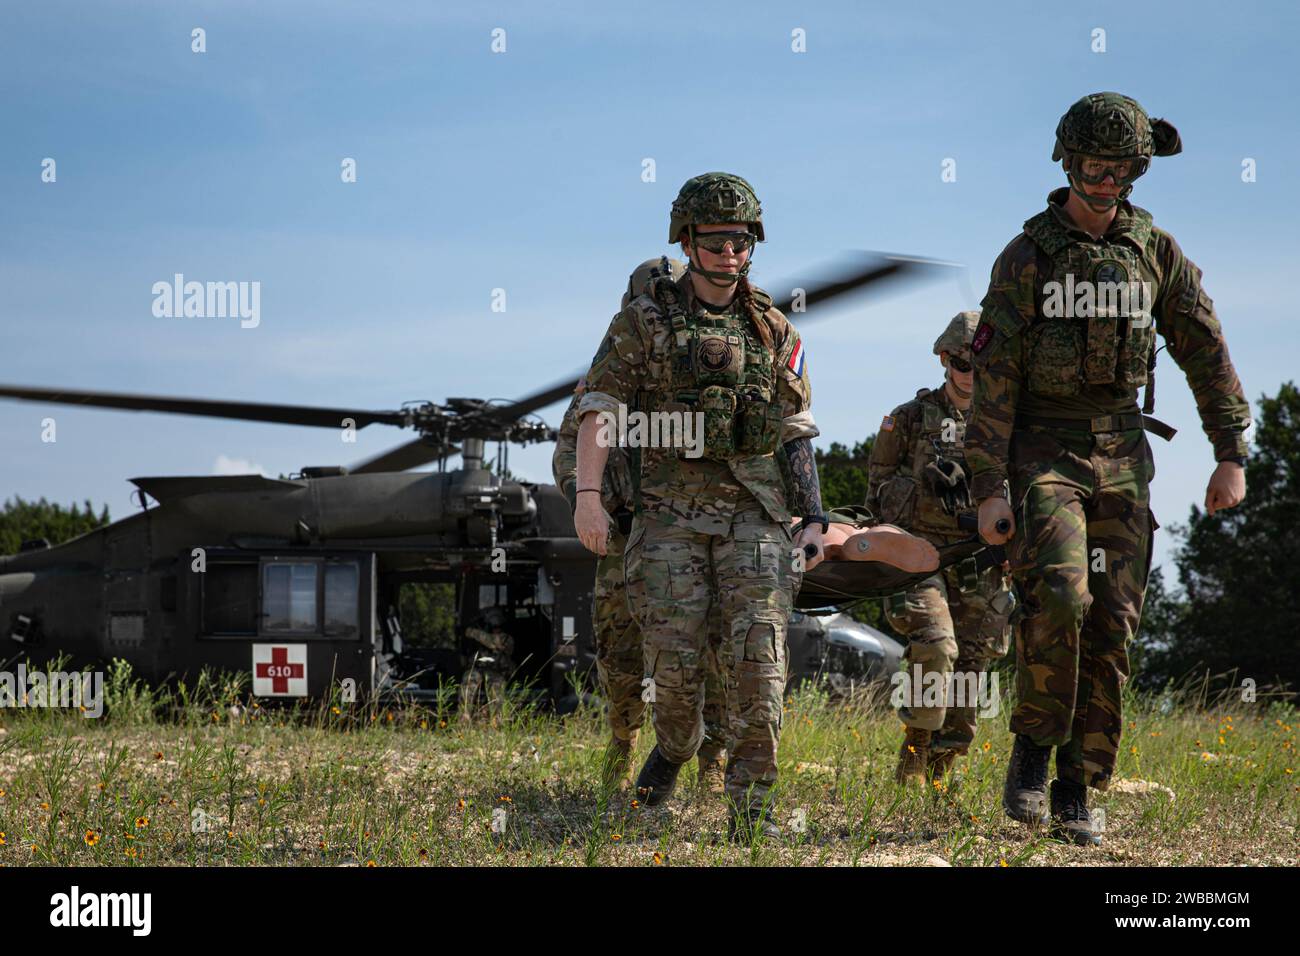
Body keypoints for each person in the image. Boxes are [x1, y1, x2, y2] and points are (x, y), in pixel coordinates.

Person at [965, 92, 1251, 845]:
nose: (1106, 180)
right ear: (1068, 162)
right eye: (1094, 164)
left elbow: (1205, 348)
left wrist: (1230, 452)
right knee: (1061, 595)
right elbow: (992, 380)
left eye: (1121, 167)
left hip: (1123, 456)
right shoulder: (1027, 255)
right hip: (1043, 454)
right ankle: (1032, 747)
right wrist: (988, 487)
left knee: (1115, 624)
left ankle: (1077, 788)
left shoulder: (1155, 252)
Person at [573, 172, 827, 841]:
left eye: (740, 239)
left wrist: (813, 516)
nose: (729, 251)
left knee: (759, 666)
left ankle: (751, 810)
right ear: (687, 240)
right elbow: (600, 410)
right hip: (667, 518)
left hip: (754, 515)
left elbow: (797, 428)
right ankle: (677, 747)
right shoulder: (642, 321)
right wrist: (589, 497)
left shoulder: (772, 328)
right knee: (675, 675)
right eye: (714, 239)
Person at [552, 257, 730, 796]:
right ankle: (623, 743)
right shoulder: (603, 380)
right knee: (620, 650)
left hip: (693, 536)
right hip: (624, 539)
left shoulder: (699, 370)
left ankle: (713, 759)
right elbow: (567, 454)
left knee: (712, 647)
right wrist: (593, 501)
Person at [867, 312, 1015, 788]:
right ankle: (914, 750)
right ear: (943, 360)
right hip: (919, 557)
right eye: (959, 361)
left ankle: (939, 776)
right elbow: (877, 492)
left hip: (981, 561)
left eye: (979, 362)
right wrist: (924, 488)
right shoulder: (909, 419)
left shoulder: (1009, 422)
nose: (968, 372)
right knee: (935, 646)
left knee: (972, 670)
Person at [458, 607, 514, 725]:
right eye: (493, 626)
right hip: (478, 669)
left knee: (496, 689)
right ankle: (464, 716)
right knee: (468, 681)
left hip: (496, 672)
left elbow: (493, 642)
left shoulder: (506, 638)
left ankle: (497, 721)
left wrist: (471, 632)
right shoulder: (480, 636)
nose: (495, 629)